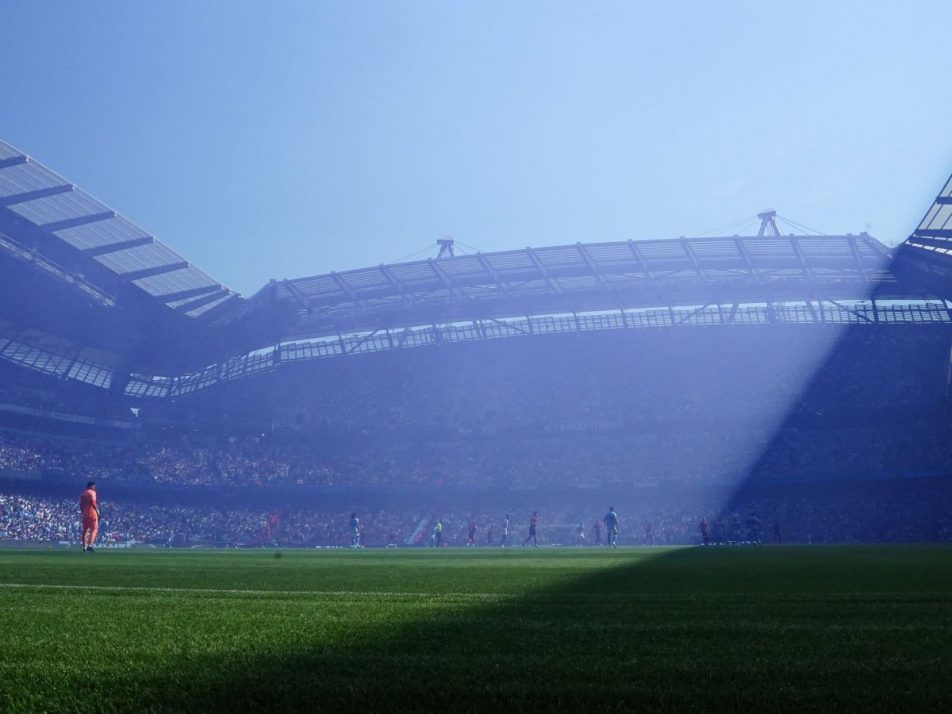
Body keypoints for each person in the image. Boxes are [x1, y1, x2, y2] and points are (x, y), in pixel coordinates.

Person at [79, 481, 100, 552]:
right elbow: (93, 502)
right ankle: (90, 545)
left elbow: (81, 504)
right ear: (91, 486)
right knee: (94, 529)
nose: (95, 487)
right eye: (94, 486)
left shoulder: (83, 494)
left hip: (85, 514)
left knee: (85, 530)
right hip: (92, 513)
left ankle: (84, 546)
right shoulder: (92, 493)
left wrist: (82, 512)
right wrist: (97, 511)